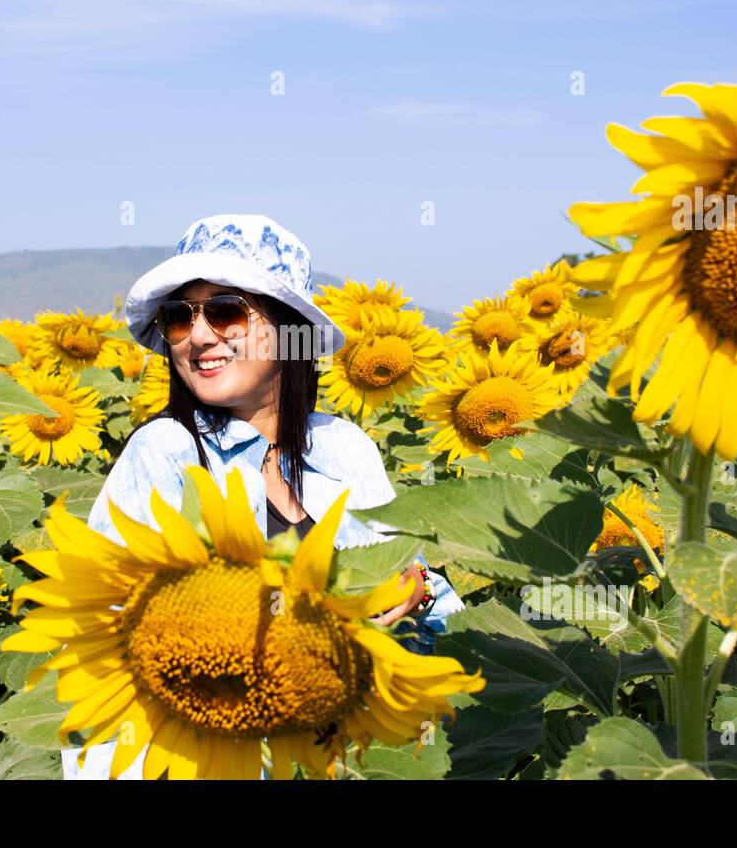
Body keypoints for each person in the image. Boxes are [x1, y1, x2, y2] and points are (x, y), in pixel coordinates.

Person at [61, 214, 463, 779]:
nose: (199, 335)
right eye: (180, 317)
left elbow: (421, 592)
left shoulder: (345, 448)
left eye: (225, 310)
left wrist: (412, 596)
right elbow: (99, 647)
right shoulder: (165, 453)